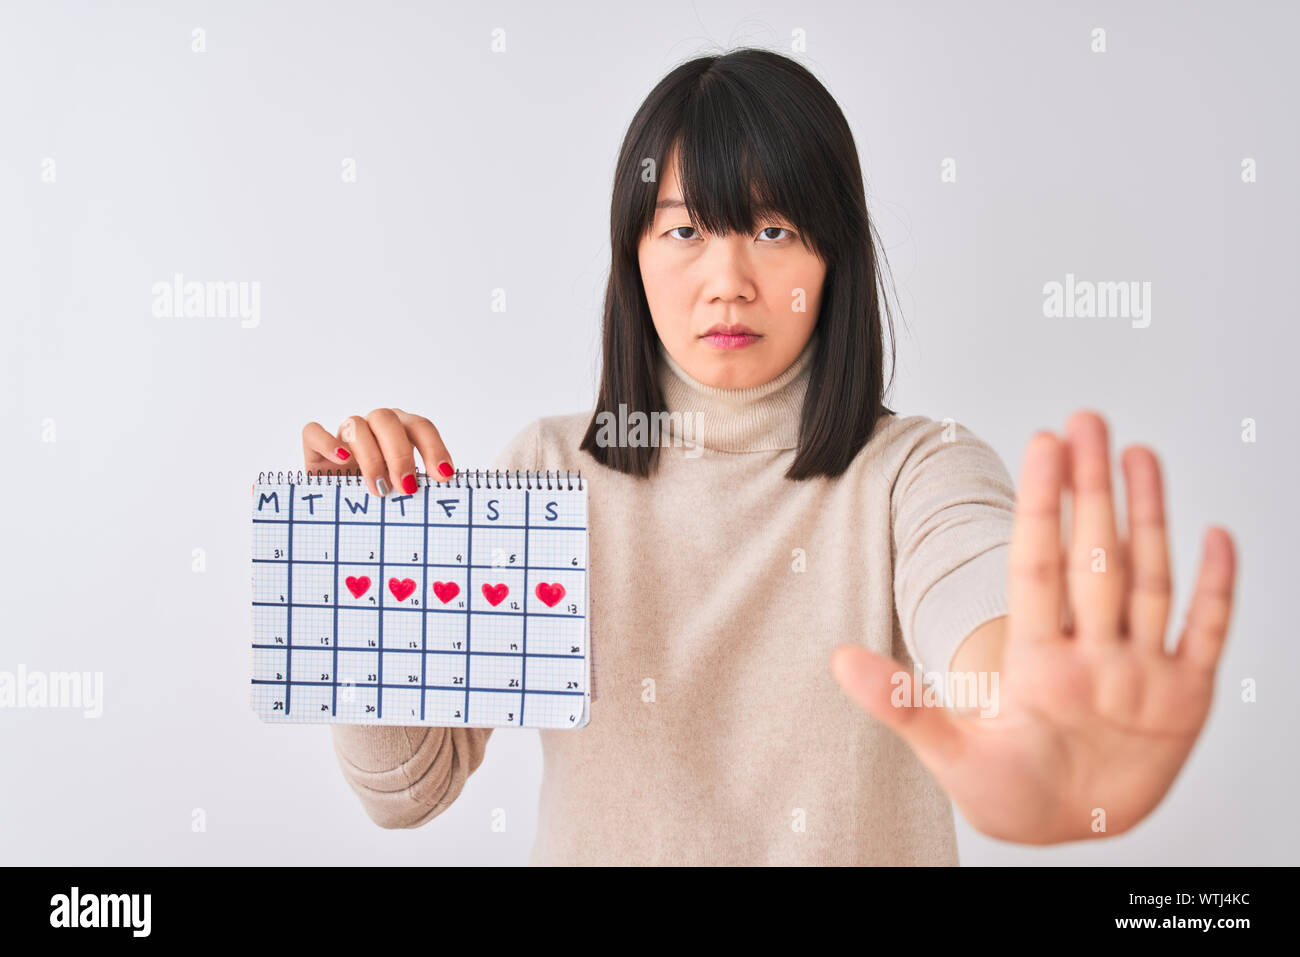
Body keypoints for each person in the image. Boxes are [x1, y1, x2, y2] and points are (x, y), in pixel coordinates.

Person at [299, 48, 1236, 865]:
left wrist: (1029, 712)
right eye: (684, 229)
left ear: (836, 257)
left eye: (774, 228)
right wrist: (364, 575)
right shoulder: (547, 473)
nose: (729, 280)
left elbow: (980, 599)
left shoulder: (918, 472)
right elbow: (406, 793)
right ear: (632, 256)